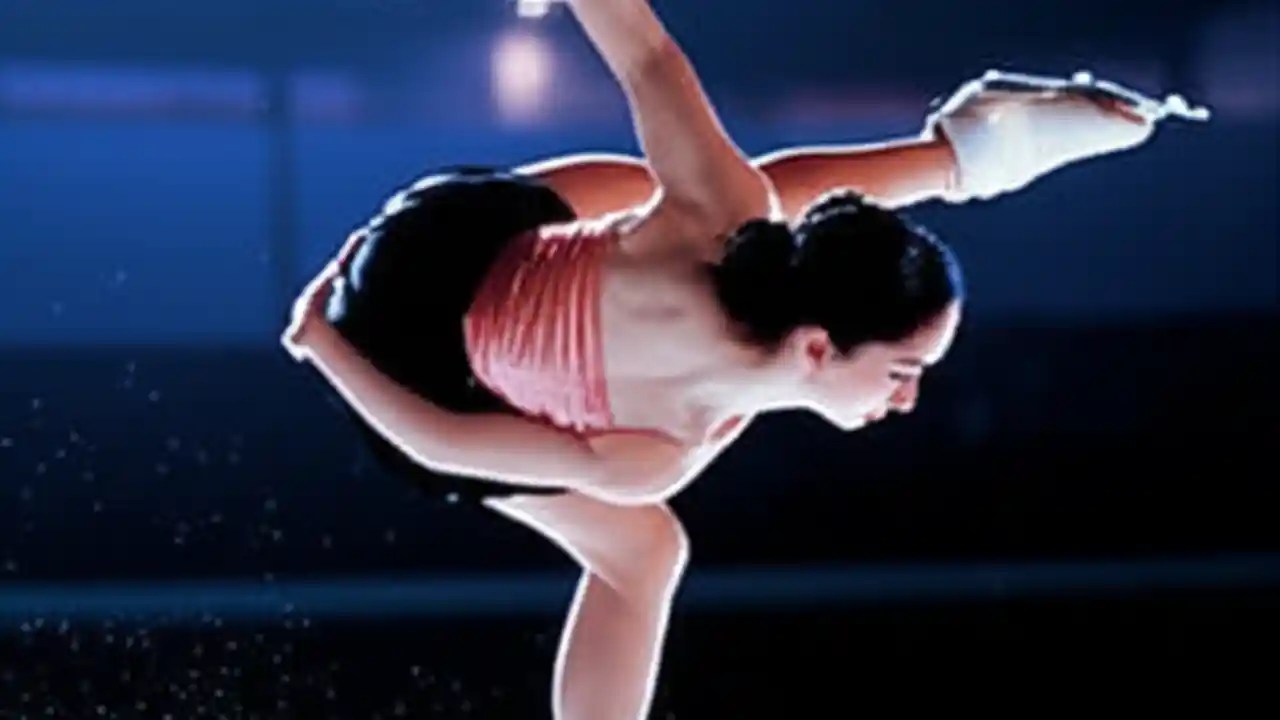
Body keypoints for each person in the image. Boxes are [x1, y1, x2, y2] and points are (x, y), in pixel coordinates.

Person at [281, 2, 1200, 718]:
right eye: (900, 371)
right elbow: (440, 447)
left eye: (908, 376)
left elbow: (650, 61)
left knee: (739, 208)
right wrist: (323, 335)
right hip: (411, 304)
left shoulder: (712, 278)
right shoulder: (666, 450)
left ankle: (968, 156)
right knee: (648, 537)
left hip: (428, 297)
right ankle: (975, 154)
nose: (909, 402)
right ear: (814, 345)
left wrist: (329, 343)